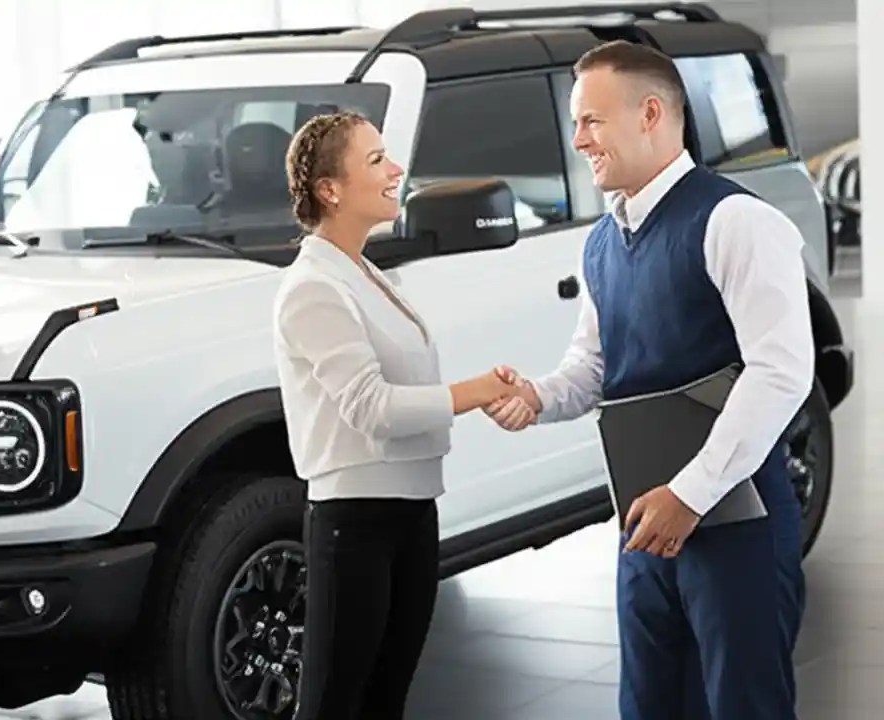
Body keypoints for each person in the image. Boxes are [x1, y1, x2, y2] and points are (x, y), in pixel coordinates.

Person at [486, 40, 812, 720]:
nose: (577, 140)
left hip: (733, 521)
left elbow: (781, 373)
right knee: (649, 705)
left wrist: (690, 495)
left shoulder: (737, 222)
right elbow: (597, 367)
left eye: (590, 121)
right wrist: (537, 397)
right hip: (645, 525)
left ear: (651, 113)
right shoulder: (604, 241)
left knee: (742, 706)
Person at [274, 111, 517, 719]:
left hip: (408, 510)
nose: (397, 169)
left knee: (384, 700)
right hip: (356, 520)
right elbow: (371, 407)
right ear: (330, 189)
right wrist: (477, 391)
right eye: (377, 159)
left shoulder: (363, 272)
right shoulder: (314, 288)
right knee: (334, 706)